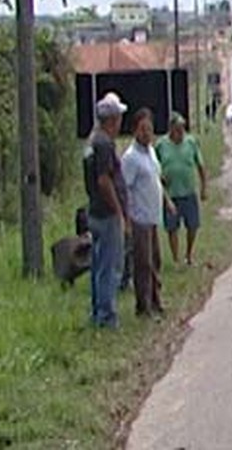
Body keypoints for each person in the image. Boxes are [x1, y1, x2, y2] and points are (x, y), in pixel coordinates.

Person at [121, 108, 176, 317]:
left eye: (149, 129)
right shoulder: (130, 158)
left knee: (155, 260)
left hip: (153, 216)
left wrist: (167, 202)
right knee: (143, 263)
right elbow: (124, 189)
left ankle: (155, 300)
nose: (146, 133)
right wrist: (126, 219)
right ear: (135, 130)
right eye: (142, 129)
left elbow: (156, 181)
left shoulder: (151, 152)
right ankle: (143, 306)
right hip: (139, 217)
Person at [83, 92, 129, 328]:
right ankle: (106, 315)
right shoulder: (104, 144)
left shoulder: (93, 141)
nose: (121, 121)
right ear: (111, 119)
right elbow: (104, 180)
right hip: (106, 213)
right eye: (119, 116)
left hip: (94, 211)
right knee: (110, 266)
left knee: (99, 265)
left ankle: (97, 311)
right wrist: (118, 210)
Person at [157, 112, 207, 266]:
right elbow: (154, 166)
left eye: (183, 128)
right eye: (178, 128)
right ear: (171, 129)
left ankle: (189, 255)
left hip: (189, 191)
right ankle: (176, 259)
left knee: (193, 225)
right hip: (171, 194)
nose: (181, 132)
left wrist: (204, 187)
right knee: (172, 227)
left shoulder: (191, 142)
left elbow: (200, 165)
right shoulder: (161, 145)